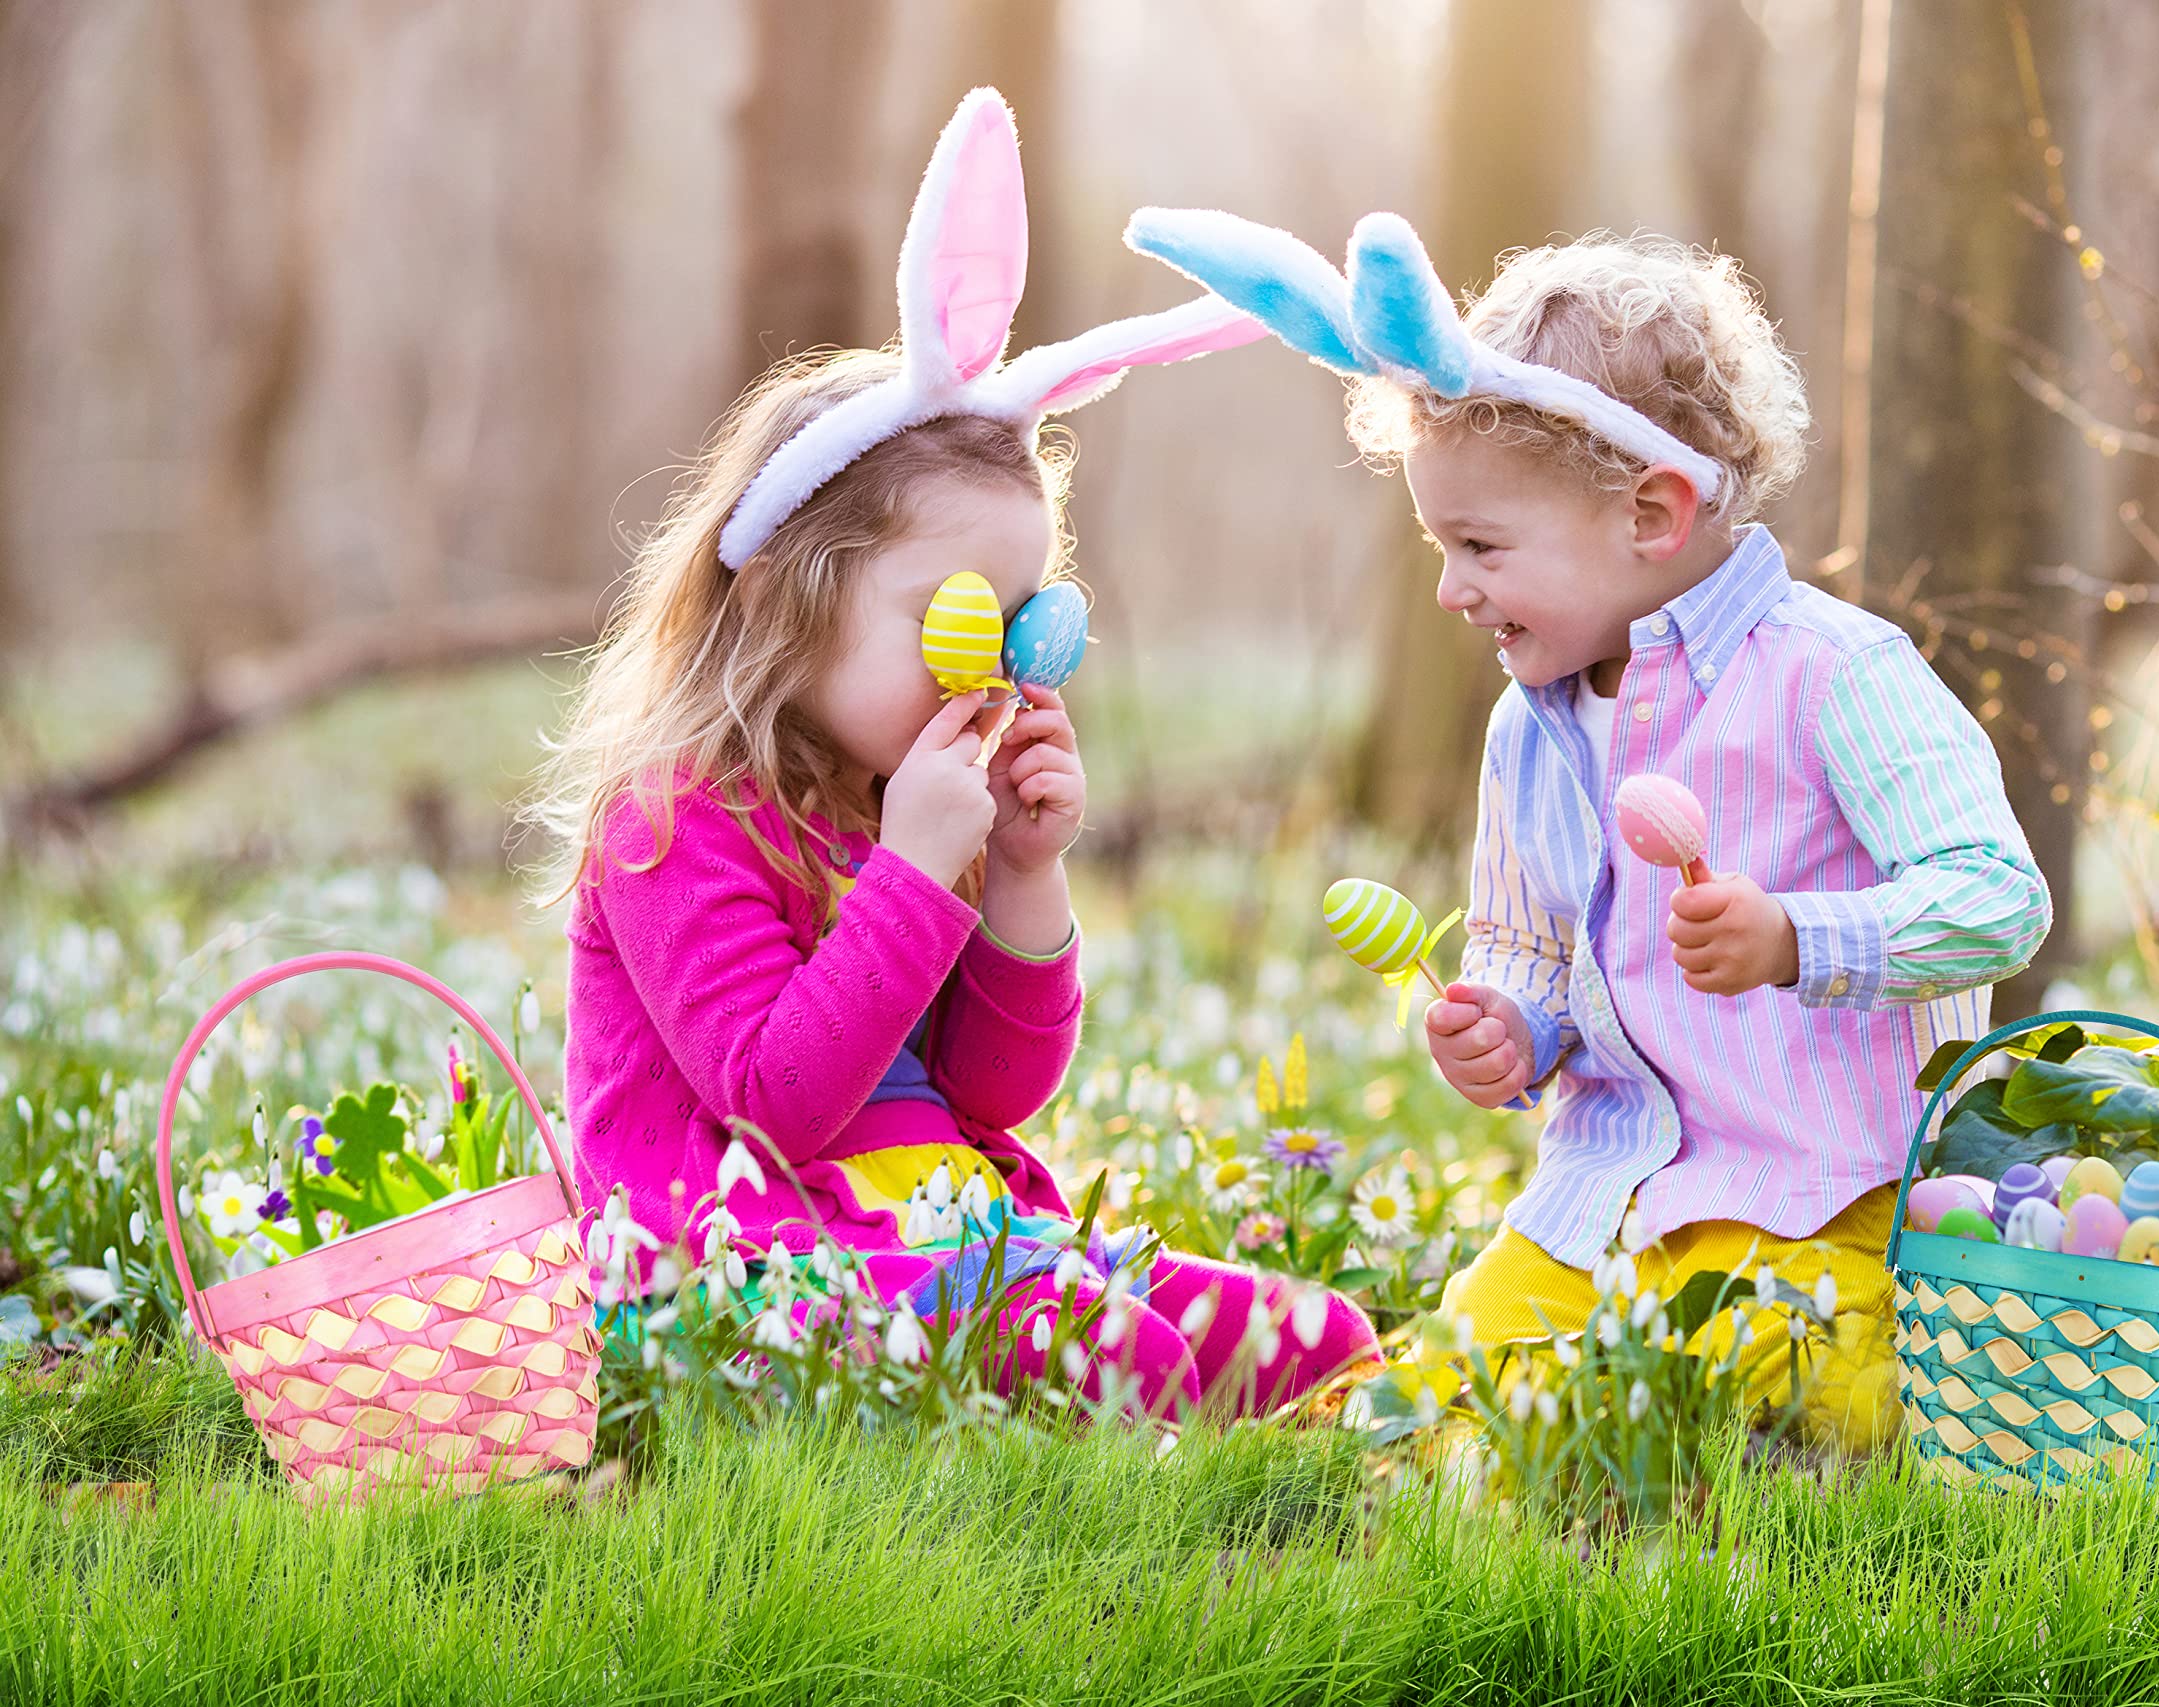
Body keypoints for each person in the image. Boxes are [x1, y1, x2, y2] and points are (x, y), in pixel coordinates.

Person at [1129, 209, 2051, 1447]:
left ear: (1652, 515)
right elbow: (1526, 942)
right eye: (1440, 546)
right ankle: (1432, 1460)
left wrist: (1797, 938)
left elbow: (1998, 898)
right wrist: (1512, 1023)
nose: (1453, 589)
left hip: (1826, 1196)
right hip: (1602, 1198)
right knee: (1423, 1398)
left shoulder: (1837, 675)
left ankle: (1647, 1429)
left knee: (1772, 1386)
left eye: (1481, 547)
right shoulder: (1532, 726)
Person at [531, 91, 1376, 1417]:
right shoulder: (671, 819)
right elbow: (775, 1102)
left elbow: (993, 1090)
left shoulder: (901, 790)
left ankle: (1205, 1426)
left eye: (1029, 615)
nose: (999, 665)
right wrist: (919, 870)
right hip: (755, 1271)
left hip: (947, 1225)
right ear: (780, 596)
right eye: (961, 617)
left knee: (1307, 1334)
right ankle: (1138, 1465)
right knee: (1132, 1362)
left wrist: (1024, 877)